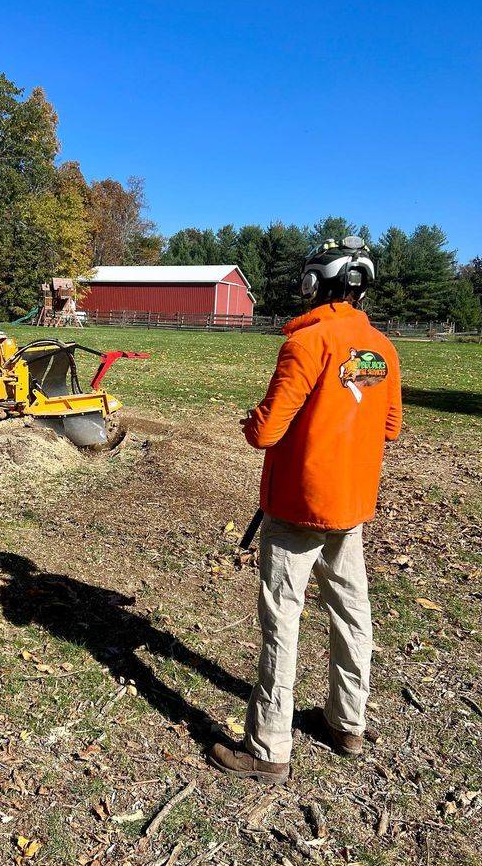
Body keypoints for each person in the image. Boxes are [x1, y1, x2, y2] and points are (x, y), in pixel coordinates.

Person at [208, 236, 402, 784]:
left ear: (315, 283)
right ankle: (348, 722)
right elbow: (388, 425)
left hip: (298, 505)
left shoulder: (308, 343)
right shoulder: (378, 350)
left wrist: (253, 420)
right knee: (351, 611)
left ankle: (268, 747)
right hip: (351, 504)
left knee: (282, 618)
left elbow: (267, 430)